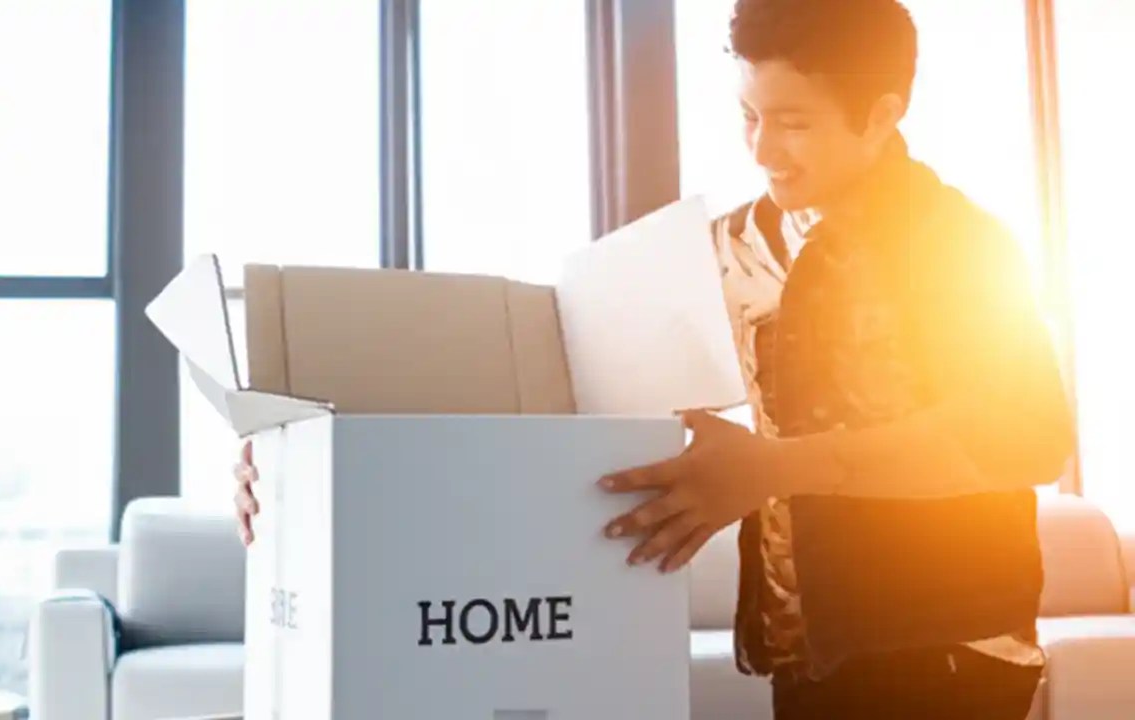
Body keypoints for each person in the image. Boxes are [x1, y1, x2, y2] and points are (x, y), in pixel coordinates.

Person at [234, 0, 1075, 717]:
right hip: (805, 642)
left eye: (793, 122)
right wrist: (295, 460)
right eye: (749, 114)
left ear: (884, 112)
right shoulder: (731, 244)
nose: (761, 147)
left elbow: (1027, 437)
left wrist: (776, 466)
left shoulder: (963, 244)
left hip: (945, 641)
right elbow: (564, 371)